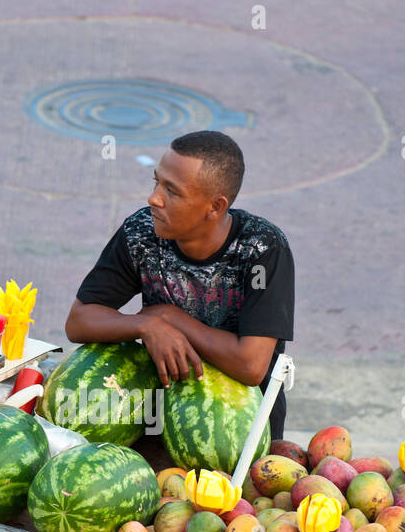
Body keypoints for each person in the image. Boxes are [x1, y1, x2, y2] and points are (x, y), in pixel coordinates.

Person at [65, 130, 295, 440]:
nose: (154, 198)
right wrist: (146, 325)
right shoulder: (142, 233)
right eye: (156, 181)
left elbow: (251, 365)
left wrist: (171, 319)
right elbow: (79, 321)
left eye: (172, 191)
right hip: (158, 423)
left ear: (215, 206)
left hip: (241, 434)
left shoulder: (261, 249)